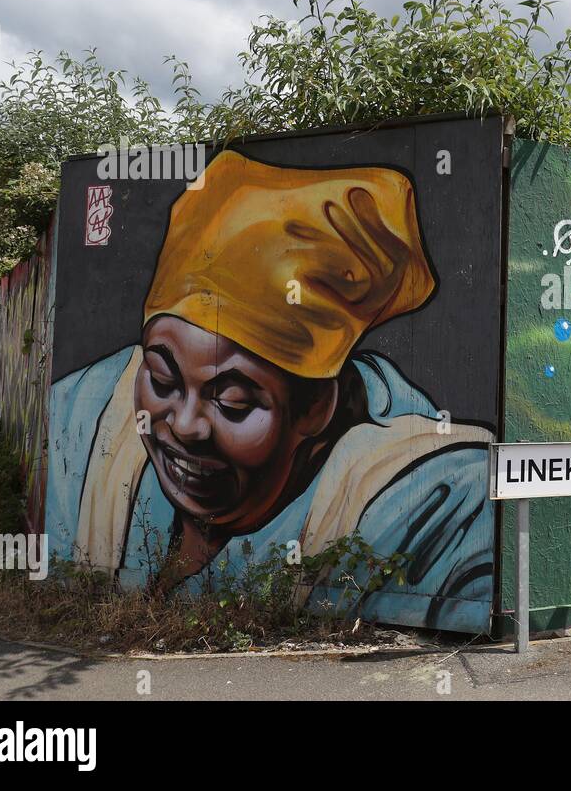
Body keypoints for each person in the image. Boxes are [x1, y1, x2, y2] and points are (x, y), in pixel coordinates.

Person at [44, 150, 494, 632]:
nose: (185, 425)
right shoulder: (88, 419)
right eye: (161, 379)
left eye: (232, 401)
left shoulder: (438, 501)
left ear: (317, 407)